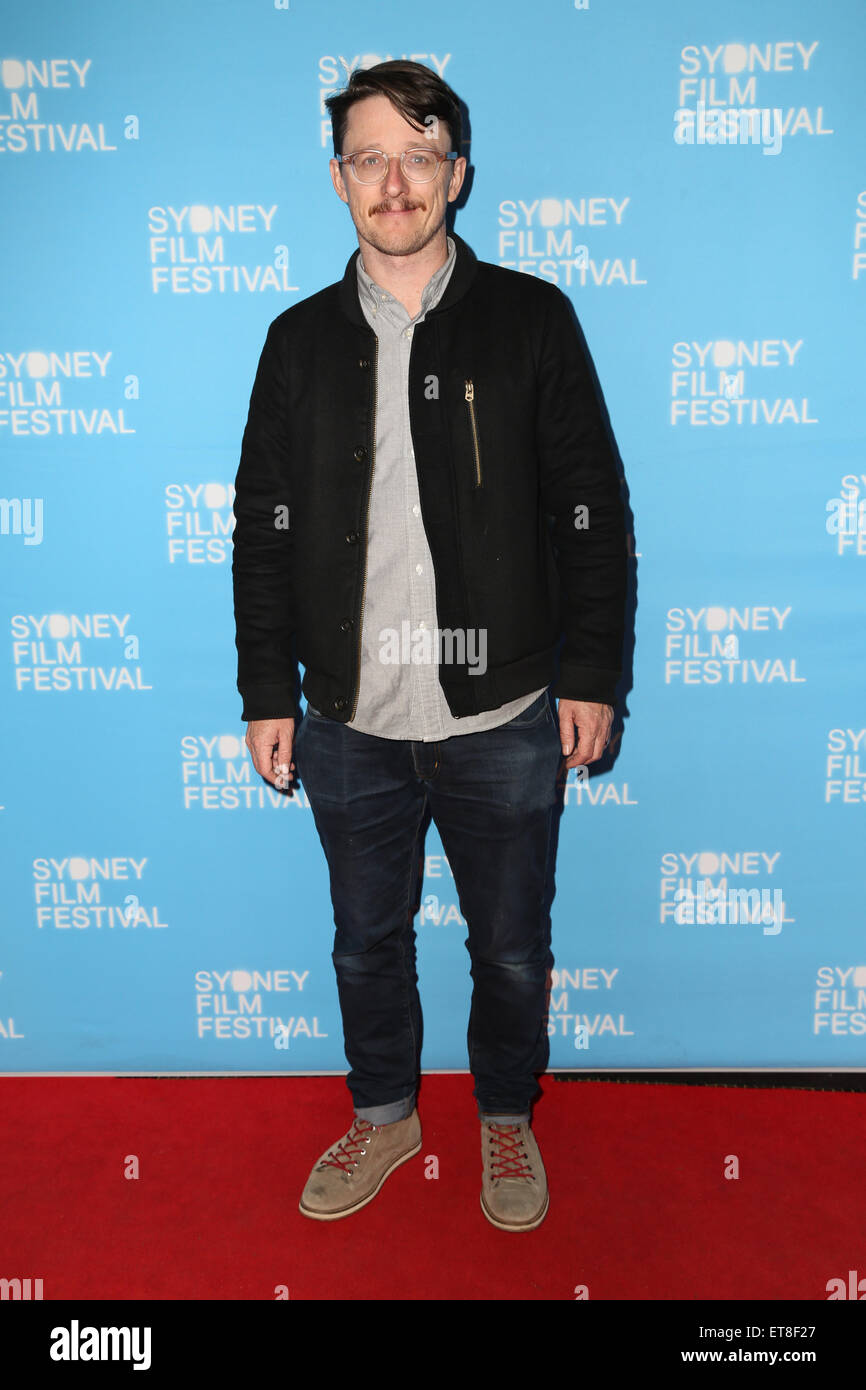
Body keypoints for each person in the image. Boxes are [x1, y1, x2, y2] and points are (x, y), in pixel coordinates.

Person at [232, 60, 628, 1232]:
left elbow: (589, 509)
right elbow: (261, 527)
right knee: (365, 942)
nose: (392, 179)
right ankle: (387, 1111)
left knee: (508, 949)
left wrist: (591, 672)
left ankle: (503, 1119)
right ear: (338, 180)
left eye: (416, 152)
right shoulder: (296, 342)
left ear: (456, 170)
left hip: (501, 709)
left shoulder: (531, 318)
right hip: (347, 713)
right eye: (367, 156)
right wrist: (267, 688)